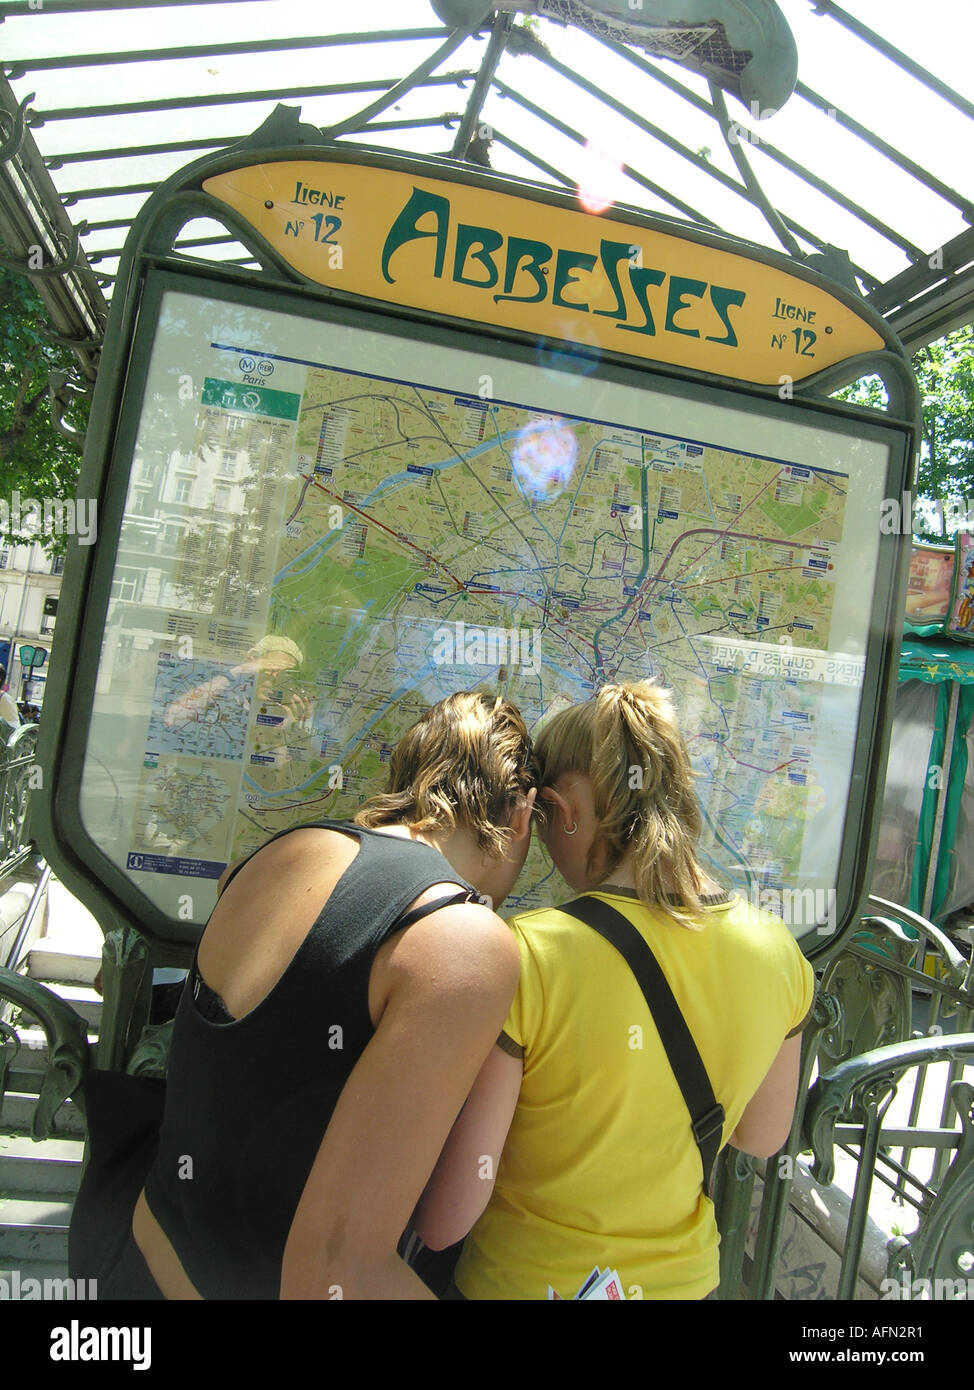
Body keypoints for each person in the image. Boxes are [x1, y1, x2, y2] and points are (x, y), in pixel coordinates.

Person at [95, 690, 538, 1299]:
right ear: (520, 816)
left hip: (136, 1261)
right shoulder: (460, 941)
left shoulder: (270, 857)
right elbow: (338, 1275)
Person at [413, 681, 816, 1300]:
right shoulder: (778, 952)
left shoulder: (526, 954)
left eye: (541, 818)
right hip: (687, 1285)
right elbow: (761, 1137)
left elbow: (450, 1218)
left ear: (566, 810)